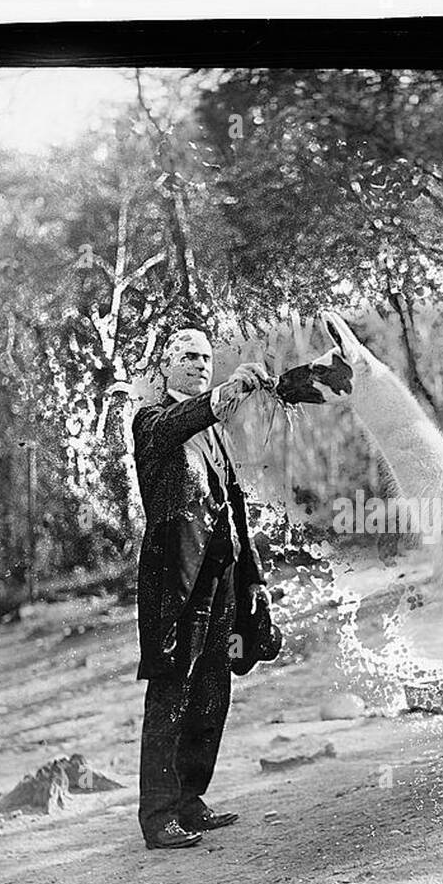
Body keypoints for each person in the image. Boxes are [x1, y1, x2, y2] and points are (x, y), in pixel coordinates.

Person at [131, 328, 274, 850]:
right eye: (187, 357)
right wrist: (225, 395)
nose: (198, 364)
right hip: (177, 587)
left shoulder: (215, 432)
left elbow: (234, 505)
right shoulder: (151, 422)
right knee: (171, 693)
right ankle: (158, 816)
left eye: (206, 358)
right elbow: (181, 421)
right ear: (165, 368)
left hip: (222, 582)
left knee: (213, 692)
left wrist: (254, 578)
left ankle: (190, 801)